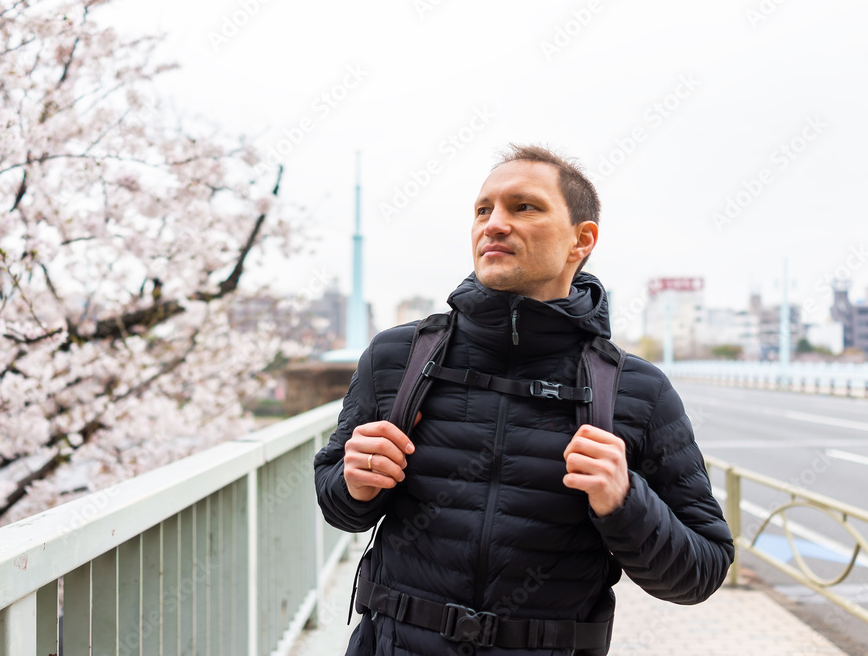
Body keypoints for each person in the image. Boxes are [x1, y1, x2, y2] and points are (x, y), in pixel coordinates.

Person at [313, 144, 734, 656]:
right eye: (483, 209)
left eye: (524, 207)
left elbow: (700, 572)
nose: (493, 223)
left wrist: (625, 501)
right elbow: (340, 508)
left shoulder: (637, 391)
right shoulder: (398, 357)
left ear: (582, 240)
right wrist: (354, 484)